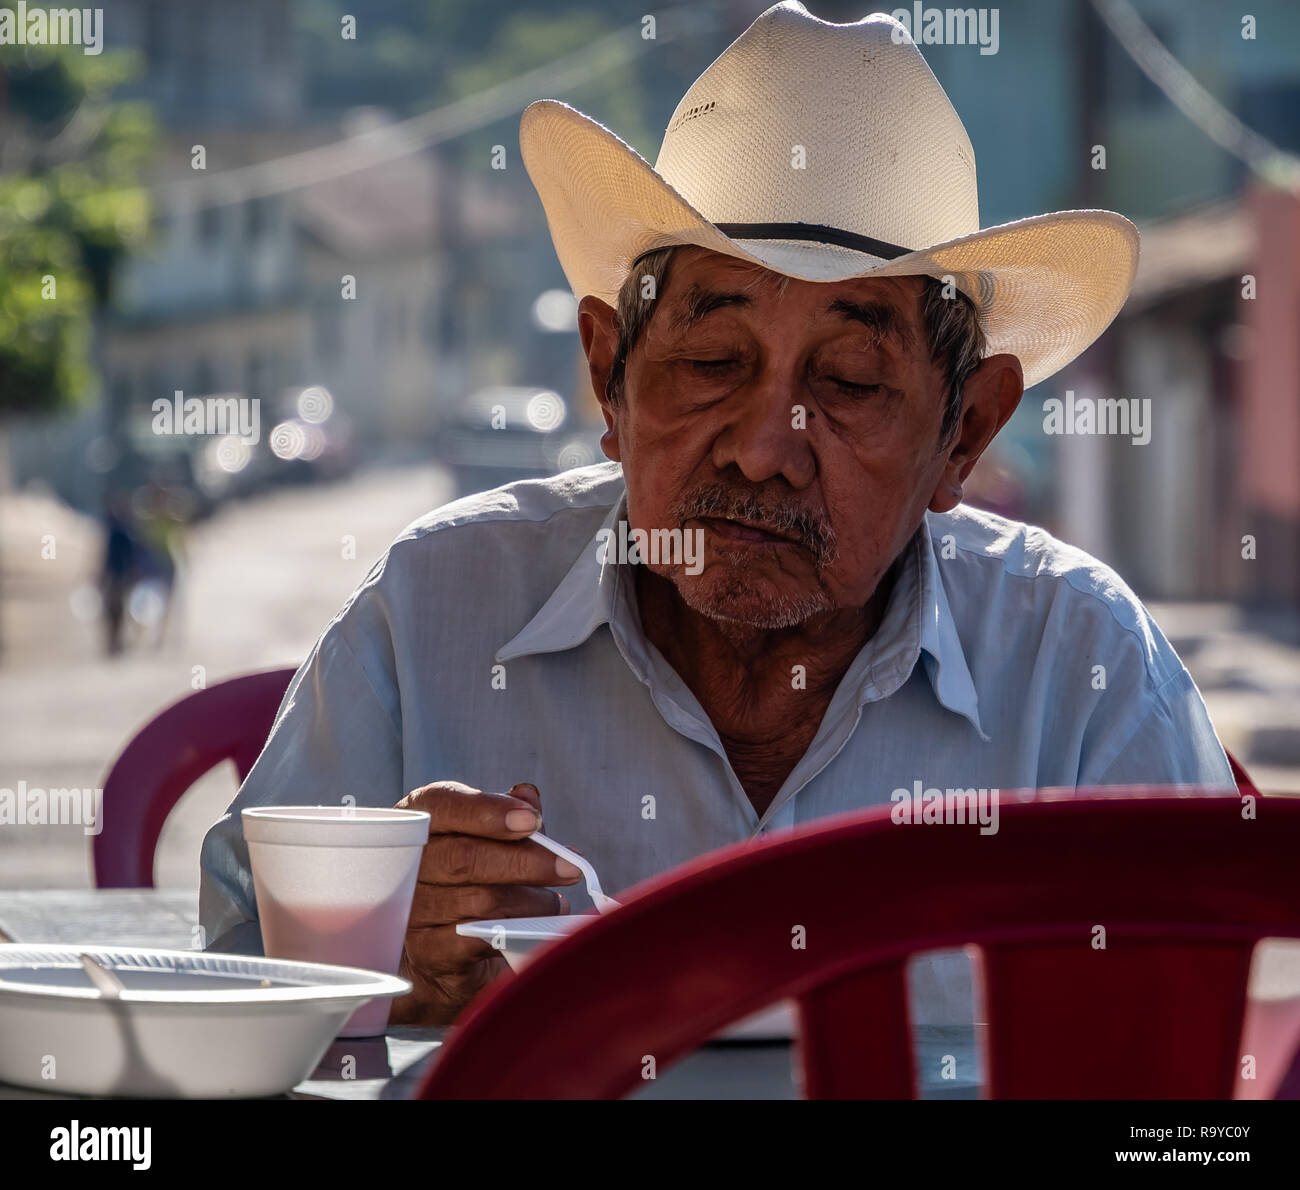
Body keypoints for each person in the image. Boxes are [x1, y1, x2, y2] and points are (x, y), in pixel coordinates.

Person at [200, 3, 1235, 1027]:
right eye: (711, 364)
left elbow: (1208, 1048)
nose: (763, 448)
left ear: (962, 434)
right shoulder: (429, 614)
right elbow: (229, 981)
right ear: (609, 375)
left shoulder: (1080, 667)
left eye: (848, 381)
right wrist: (366, 954)